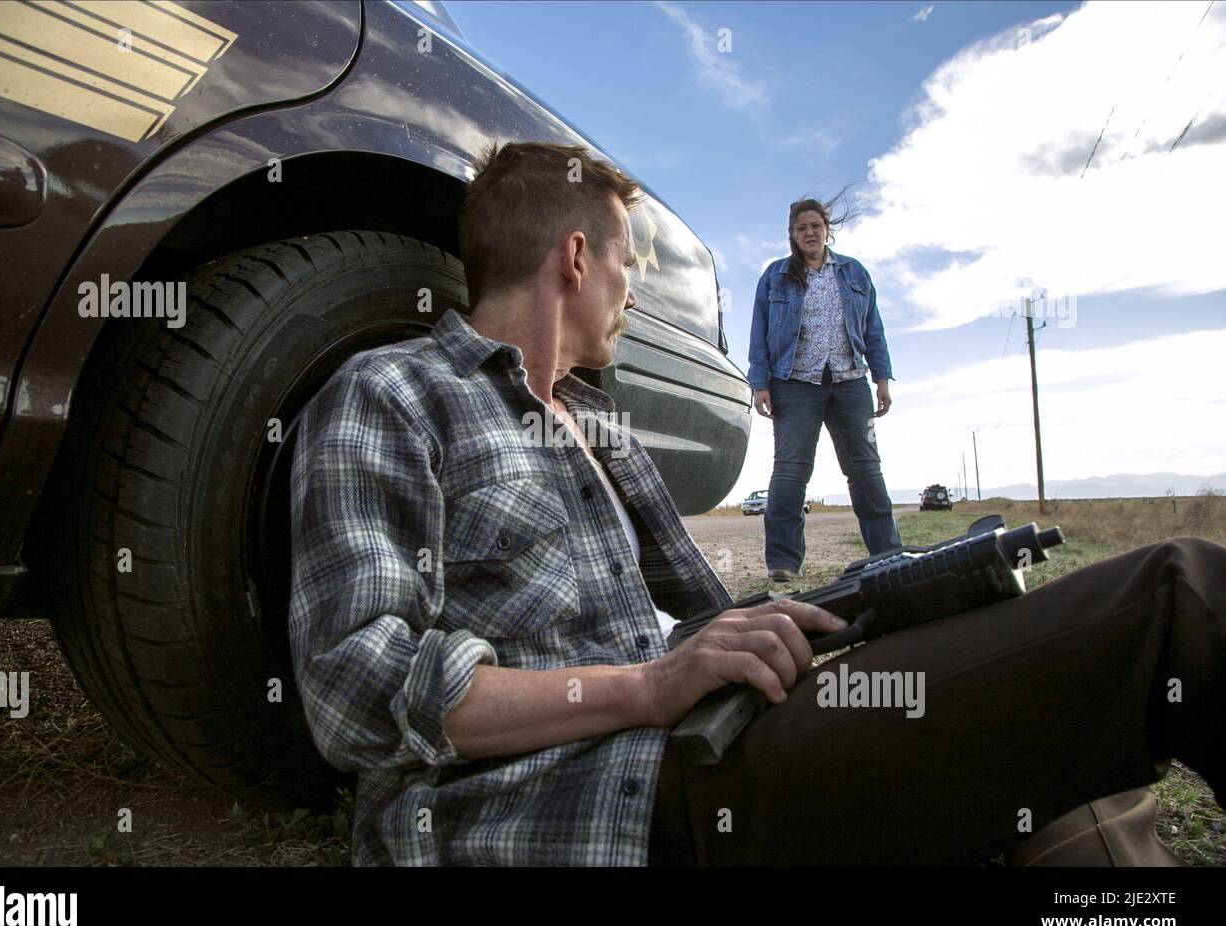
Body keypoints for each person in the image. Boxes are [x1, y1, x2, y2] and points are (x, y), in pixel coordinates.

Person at [288, 140, 1226, 866]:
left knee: (1059, 752)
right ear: (576, 258)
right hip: (597, 801)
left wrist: (878, 599)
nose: (632, 294)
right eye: (627, 265)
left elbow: (711, 618)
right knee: (1177, 600)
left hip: (719, 734)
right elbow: (353, 691)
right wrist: (648, 688)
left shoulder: (599, 428)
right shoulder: (392, 395)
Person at [748, 199, 903, 581]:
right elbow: (759, 334)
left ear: (826, 229)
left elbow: (874, 330)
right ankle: (783, 563)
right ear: (792, 235)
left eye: (815, 225)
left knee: (866, 469)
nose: (810, 233)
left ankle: (888, 553)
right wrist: (760, 383)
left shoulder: (854, 273)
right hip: (794, 384)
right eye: (801, 228)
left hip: (851, 382)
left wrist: (881, 378)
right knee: (790, 472)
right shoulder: (774, 277)